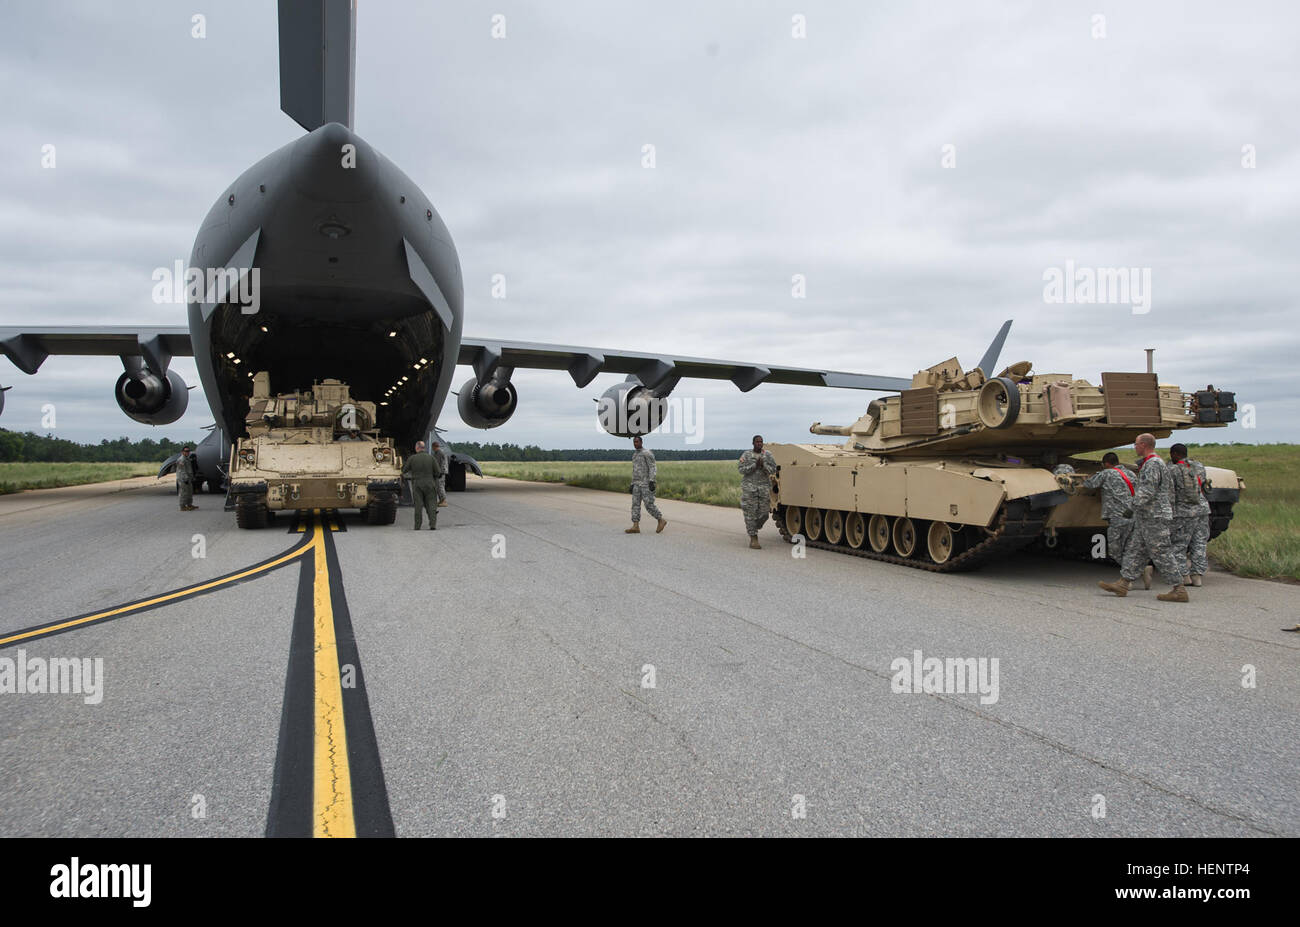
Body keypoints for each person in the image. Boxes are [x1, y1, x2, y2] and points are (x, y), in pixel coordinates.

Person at [1099, 434, 1189, 602]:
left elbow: (1147, 491)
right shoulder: (1153, 463)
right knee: (1136, 550)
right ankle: (1123, 583)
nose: (1134, 447)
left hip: (1154, 516)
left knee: (1161, 552)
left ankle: (1179, 589)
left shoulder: (1153, 464)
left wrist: (1131, 508)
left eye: (1136, 444)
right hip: (1147, 515)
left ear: (1143, 445)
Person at [1082, 452, 1136, 568]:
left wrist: (1084, 479)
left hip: (1117, 517)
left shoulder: (1106, 473)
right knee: (1129, 547)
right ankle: (1134, 572)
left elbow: (1089, 484)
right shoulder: (1130, 473)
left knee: (1114, 550)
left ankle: (1135, 571)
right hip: (1132, 515)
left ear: (1106, 464)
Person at [1169, 443, 1211, 586]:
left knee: (1179, 544)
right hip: (1202, 509)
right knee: (1199, 543)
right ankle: (1197, 576)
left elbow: (1170, 491)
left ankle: (1183, 575)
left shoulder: (1173, 469)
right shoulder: (1199, 466)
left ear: (1174, 454)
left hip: (1184, 512)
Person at [737, 434, 777, 549]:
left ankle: (755, 526)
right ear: (753, 443)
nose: (759, 443)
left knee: (764, 514)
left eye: (761, 442)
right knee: (750, 513)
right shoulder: (747, 455)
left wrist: (764, 466)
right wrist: (754, 465)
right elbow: (741, 469)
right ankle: (753, 538)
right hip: (749, 488)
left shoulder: (767, 455)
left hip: (764, 488)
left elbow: (773, 469)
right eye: (757, 442)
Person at [625, 436, 667, 534]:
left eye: (637, 442)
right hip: (636, 484)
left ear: (641, 442)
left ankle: (661, 520)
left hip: (646, 484)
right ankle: (635, 526)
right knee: (635, 505)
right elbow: (634, 470)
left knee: (649, 505)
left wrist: (652, 481)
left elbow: (652, 467)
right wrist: (632, 484)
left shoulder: (647, 453)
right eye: (634, 442)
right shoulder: (634, 455)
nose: (635, 444)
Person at [401, 440, 443, 530]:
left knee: (418, 506)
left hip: (417, 484)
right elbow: (438, 472)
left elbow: (404, 470)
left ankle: (417, 526)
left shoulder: (412, 458)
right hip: (430, 483)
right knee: (432, 504)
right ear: (424, 448)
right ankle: (432, 524)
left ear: (417, 448)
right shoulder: (431, 458)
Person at [176, 445, 197, 511]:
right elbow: (182, 471)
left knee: (189, 492)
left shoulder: (187, 459)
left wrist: (191, 477)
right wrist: (185, 479)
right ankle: (182, 506)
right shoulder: (181, 460)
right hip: (183, 479)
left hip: (188, 478)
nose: (187, 452)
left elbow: (189, 469)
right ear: (182, 452)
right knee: (183, 492)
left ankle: (189, 504)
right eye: (186, 451)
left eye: (188, 451)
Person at [432, 440, 450, 507]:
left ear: (434, 446)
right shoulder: (437, 453)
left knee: (440, 486)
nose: (432, 449)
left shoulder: (440, 453)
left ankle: (444, 501)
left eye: (433, 447)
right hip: (439, 472)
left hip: (441, 473)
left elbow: (443, 463)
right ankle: (441, 500)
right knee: (438, 486)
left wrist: (441, 472)